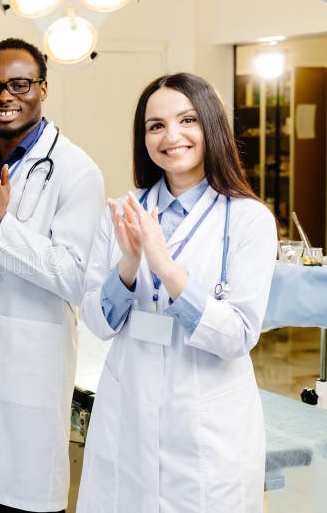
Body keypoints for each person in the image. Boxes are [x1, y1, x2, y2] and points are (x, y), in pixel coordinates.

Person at [76, 73, 277, 512]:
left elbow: (238, 336)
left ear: (211, 126)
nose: (171, 136)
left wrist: (166, 268)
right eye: (155, 125)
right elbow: (95, 322)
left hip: (206, 429)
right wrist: (128, 264)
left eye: (187, 120)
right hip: (128, 417)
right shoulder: (123, 210)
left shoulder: (248, 220)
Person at [0, 38, 105, 513]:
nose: (4, 96)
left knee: (25, 501)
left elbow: (77, 278)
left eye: (19, 84)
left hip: (28, 381)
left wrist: (1, 226)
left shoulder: (76, 171)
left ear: (43, 89)